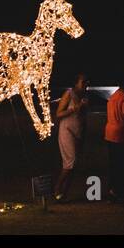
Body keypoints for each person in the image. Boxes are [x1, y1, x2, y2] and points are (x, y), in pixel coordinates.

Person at [53, 72, 89, 200]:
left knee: (74, 165)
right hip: (66, 131)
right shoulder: (69, 94)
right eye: (83, 82)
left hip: (78, 132)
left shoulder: (84, 96)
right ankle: (57, 189)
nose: (85, 84)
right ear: (76, 83)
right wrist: (74, 108)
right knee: (70, 162)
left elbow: (83, 118)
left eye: (87, 82)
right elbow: (58, 114)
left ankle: (65, 193)